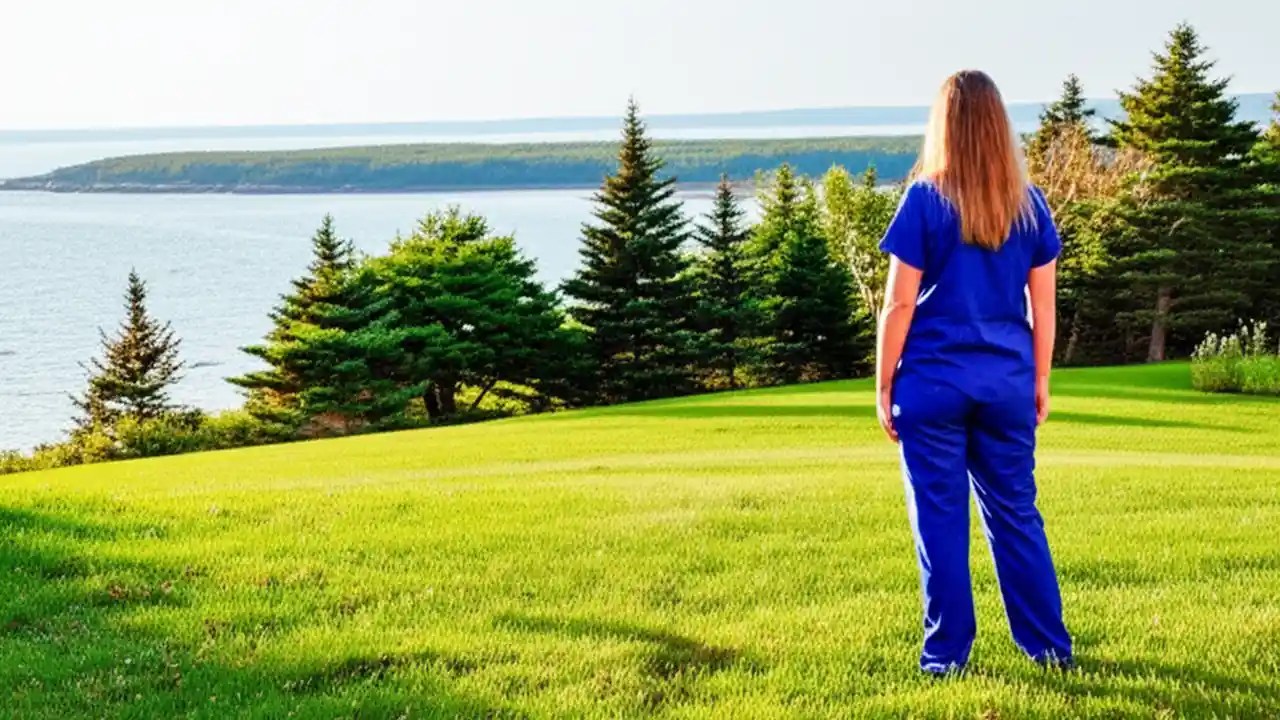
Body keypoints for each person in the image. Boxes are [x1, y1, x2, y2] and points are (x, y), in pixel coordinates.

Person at [875, 69, 1073, 675]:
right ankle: (1048, 650)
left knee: (939, 522)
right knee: (1016, 517)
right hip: (1007, 386)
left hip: (931, 388)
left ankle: (945, 658)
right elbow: (1043, 306)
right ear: (998, 128)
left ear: (944, 127)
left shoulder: (924, 200)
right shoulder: (1030, 204)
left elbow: (899, 304)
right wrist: (1040, 380)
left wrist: (883, 384)